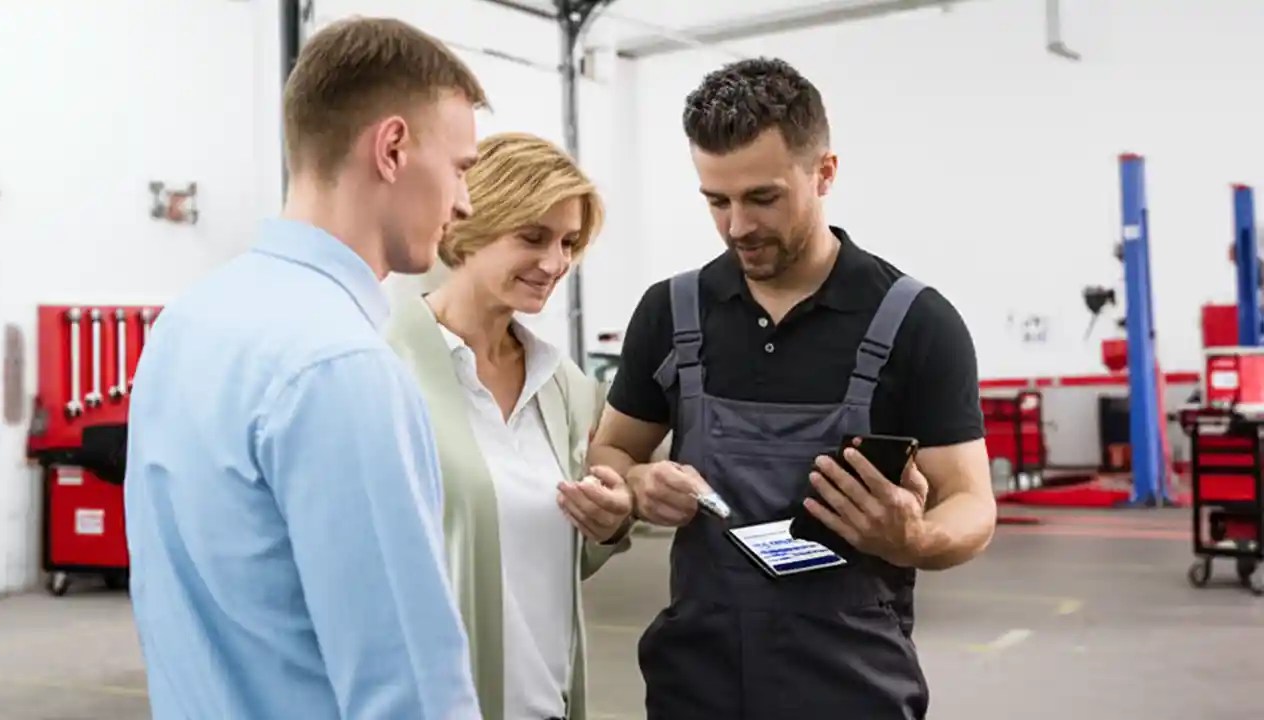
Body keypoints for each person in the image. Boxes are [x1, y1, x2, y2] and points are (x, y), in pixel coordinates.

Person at [589, 57, 997, 719]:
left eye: (762, 198)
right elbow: (608, 452)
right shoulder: (670, 312)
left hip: (853, 685)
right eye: (716, 201)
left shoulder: (915, 323)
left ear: (824, 173)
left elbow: (972, 505)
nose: (737, 226)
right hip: (697, 682)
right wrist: (633, 485)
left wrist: (912, 539)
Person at [124, 18, 487, 719]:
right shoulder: (342, 367)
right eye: (462, 168)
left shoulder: (187, 324)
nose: (465, 202)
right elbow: (407, 691)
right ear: (393, 148)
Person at [385, 131, 633, 720]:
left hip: (548, 704)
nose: (555, 263)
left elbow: (550, 556)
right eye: (533, 237)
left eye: (569, 242)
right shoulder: (385, 367)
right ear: (468, 225)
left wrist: (611, 520)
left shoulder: (563, 384)